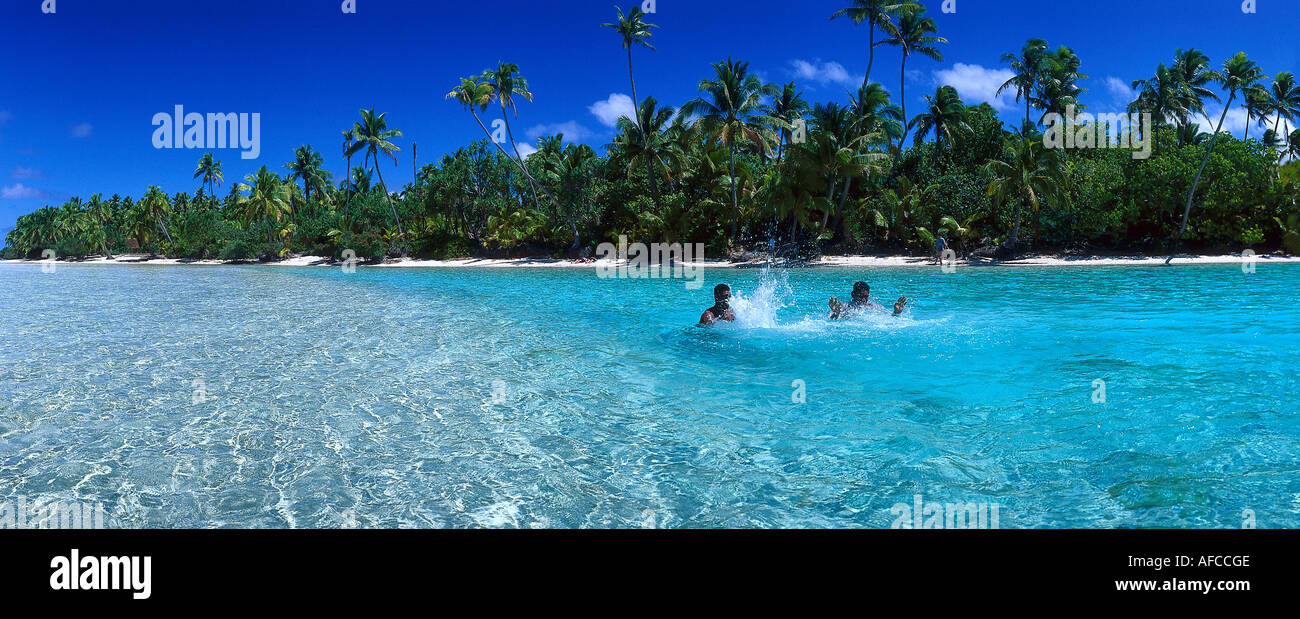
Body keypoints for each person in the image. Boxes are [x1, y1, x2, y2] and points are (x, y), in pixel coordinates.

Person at [829, 281, 907, 320]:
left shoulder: (874, 306)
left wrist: (896, 312)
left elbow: (891, 318)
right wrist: (836, 313)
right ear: (853, 294)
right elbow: (831, 321)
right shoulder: (845, 306)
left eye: (866, 296)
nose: (863, 299)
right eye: (861, 296)